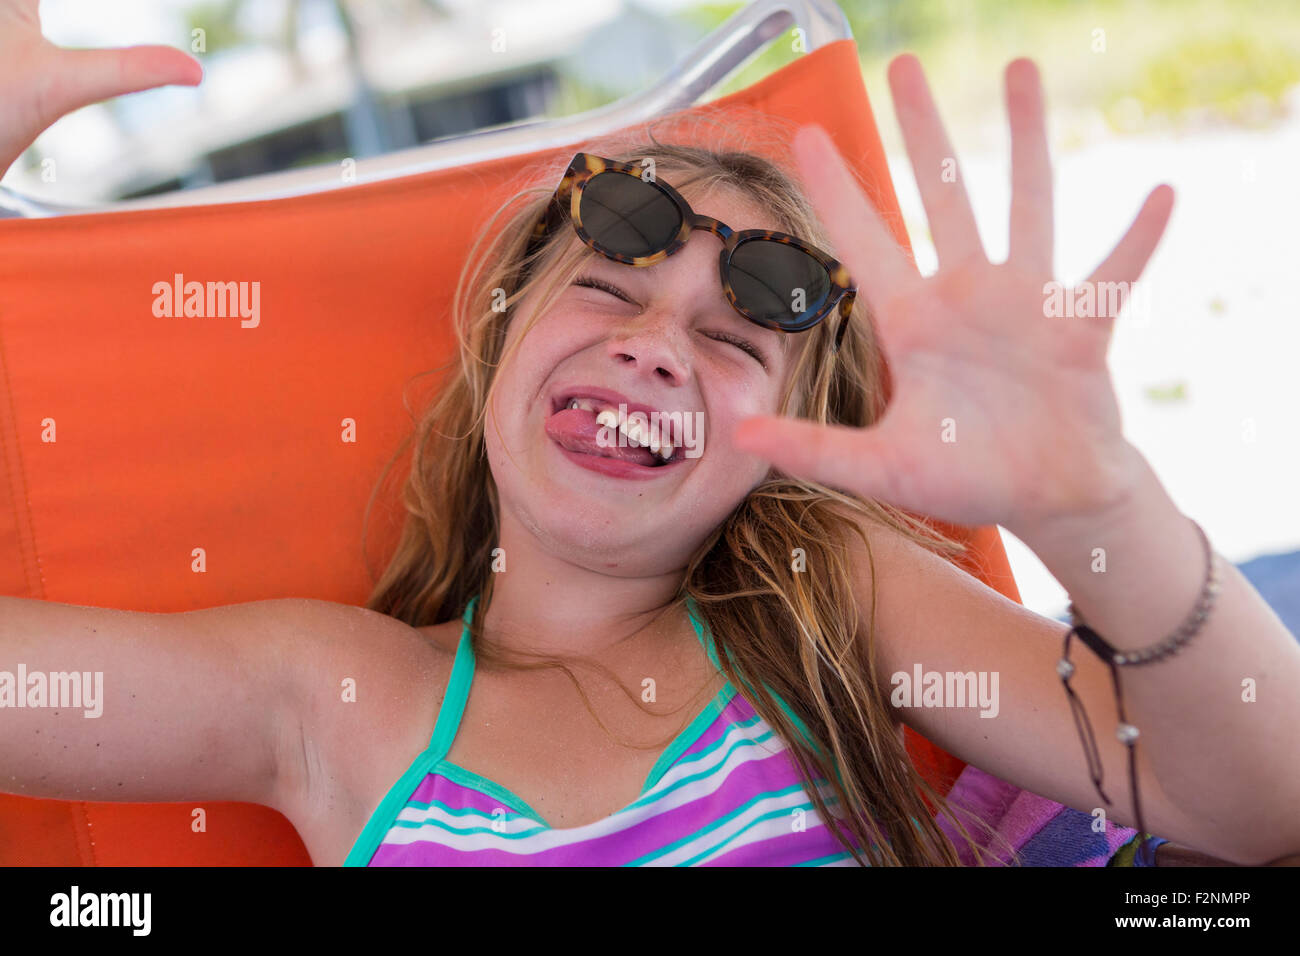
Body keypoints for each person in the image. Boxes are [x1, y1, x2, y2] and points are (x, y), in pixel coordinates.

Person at [2, 0, 1298, 867]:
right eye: (612, 287)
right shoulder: (333, 700)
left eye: (735, 343)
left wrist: (1098, 509)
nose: (661, 340)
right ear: (495, 344)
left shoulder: (825, 595)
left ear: (786, 442)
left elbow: (1256, 807)